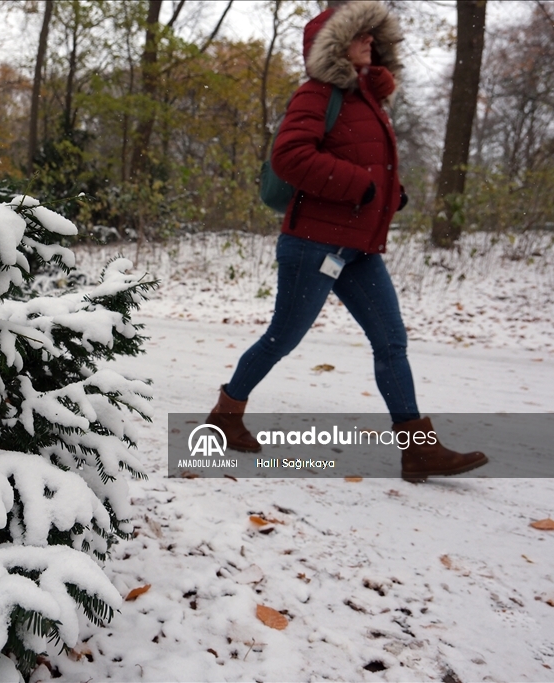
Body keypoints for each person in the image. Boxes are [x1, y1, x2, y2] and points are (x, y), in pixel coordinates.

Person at [206, 0, 487, 482]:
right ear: (335, 43)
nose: (369, 42)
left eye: (373, 37)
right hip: (312, 244)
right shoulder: (317, 93)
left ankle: (418, 449)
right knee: (282, 338)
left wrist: (388, 194)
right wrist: (360, 185)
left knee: (391, 341)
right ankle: (225, 415)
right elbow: (290, 157)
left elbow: (368, 165)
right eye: (359, 35)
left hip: (357, 248)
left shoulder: (368, 101)